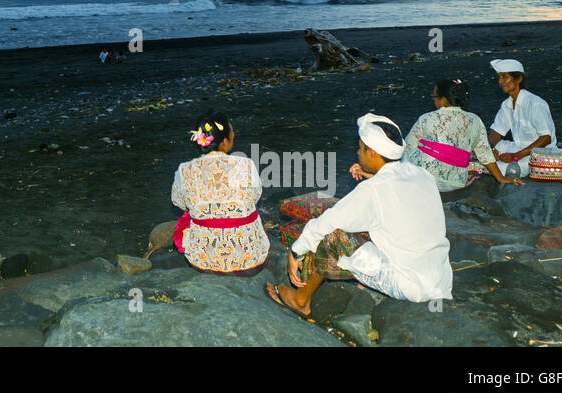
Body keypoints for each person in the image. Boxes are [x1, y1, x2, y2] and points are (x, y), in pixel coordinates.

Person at [266, 114, 451, 315]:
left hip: (409, 285)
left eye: (360, 148)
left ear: (372, 152)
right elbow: (395, 196)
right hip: (439, 279)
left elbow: (328, 223)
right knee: (373, 224)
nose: (357, 152)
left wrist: (296, 252)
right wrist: (371, 175)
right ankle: (365, 282)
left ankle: (301, 300)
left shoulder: (373, 190)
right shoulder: (421, 174)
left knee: (333, 238)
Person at [170, 116, 270, 275]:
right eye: (232, 133)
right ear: (225, 141)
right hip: (250, 260)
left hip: (203, 261)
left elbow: (179, 202)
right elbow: (255, 196)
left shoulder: (185, 170)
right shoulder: (245, 165)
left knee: (191, 218)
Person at [403, 79, 525, 191]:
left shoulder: (426, 118)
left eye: (434, 97)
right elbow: (485, 155)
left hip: (425, 179)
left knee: (408, 151)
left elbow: (408, 147)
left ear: (444, 99)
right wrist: (501, 178)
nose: (434, 100)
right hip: (456, 182)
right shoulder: (475, 120)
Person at [488, 59, 556, 178]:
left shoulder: (535, 103)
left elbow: (546, 138)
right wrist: (492, 150)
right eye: (499, 77)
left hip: (540, 154)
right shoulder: (506, 105)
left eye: (504, 77)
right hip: (519, 148)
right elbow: (495, 133)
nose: (500, 81)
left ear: (518, 79)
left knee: (505, 169)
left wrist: (516, 156)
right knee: (491, 149)